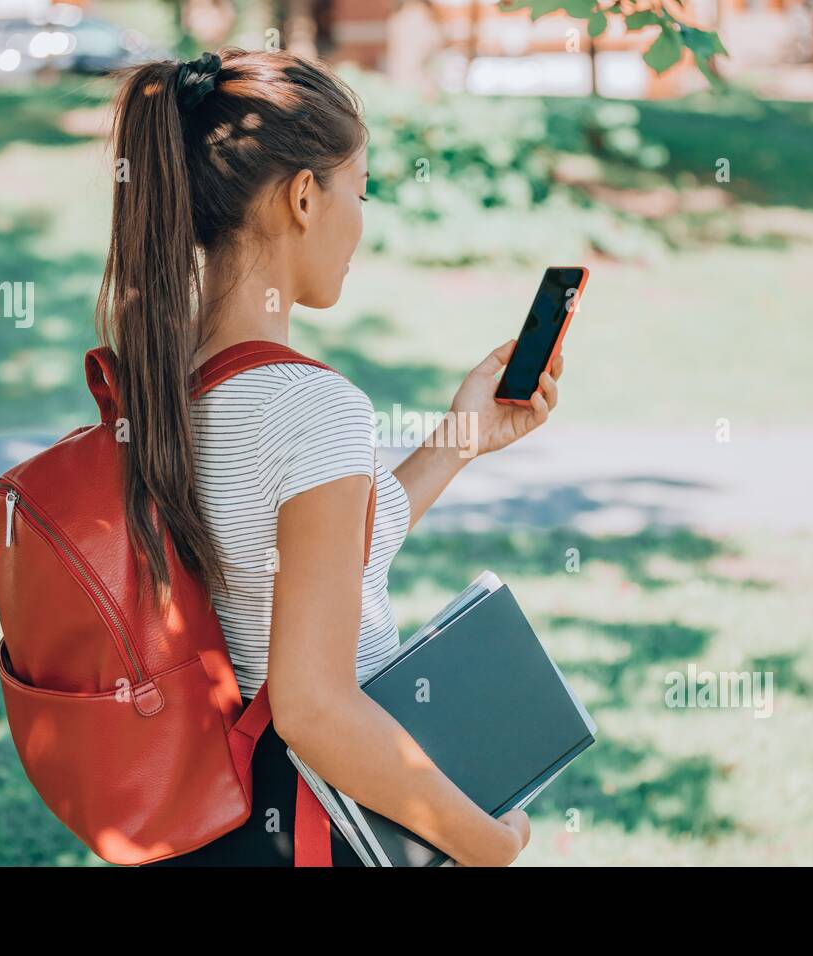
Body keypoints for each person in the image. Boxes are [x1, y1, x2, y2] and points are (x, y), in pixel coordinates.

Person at [98, 48, 564, 866]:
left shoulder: (168, 382)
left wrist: (460, 439)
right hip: (327, 824)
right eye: (363, 188)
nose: (364, 217)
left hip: (223, 819)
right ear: (304, 196)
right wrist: (482, 843)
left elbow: (309, 557)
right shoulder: (313, 408)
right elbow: (314, 708)